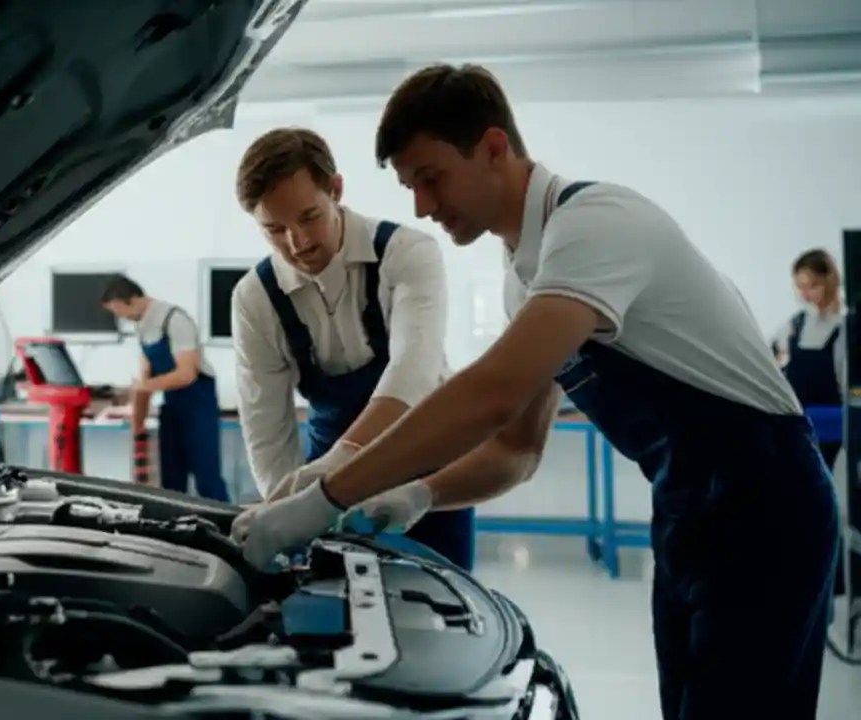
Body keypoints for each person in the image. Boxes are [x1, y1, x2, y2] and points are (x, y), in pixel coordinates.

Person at [230, 63, 840, 719]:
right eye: (409, 188)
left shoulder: (595, 223)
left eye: (431, 178)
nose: (423, 208)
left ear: (494, 146)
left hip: (767, 499)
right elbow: (517, 450)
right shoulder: (525, 278)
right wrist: (418, 494)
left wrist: (321, 498)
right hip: (690, 508)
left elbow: (492, 393)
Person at [229, 127, 474, 570]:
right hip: (320, 478)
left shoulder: (408, 253)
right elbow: (268, 429)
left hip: (425, 469)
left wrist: (328, 476)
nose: (297, 243)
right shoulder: (254, 298)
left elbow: (412, 375)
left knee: (442, 607)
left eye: (309, 217)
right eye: (275, 230)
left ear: (336, 190)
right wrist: (287, 510)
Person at [102, 275, 229, 502]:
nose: (119, 317)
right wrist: (137, 424)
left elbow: (186, 374)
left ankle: (227, 532)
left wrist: (143, 386)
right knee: (171, 481)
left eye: (117, 310)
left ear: (132, 299)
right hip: (172, 406)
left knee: (206, 478)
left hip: (197, 402)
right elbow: (145, 378)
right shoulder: (141, 327)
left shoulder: (175, 319)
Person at [771, 248, 845, 467]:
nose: (804, 295)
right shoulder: (795, 325)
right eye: (800, 287)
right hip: (796, 423)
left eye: (811, 287)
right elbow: (771, 358)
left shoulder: (845, 328)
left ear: (829, 281)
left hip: (831, 427)